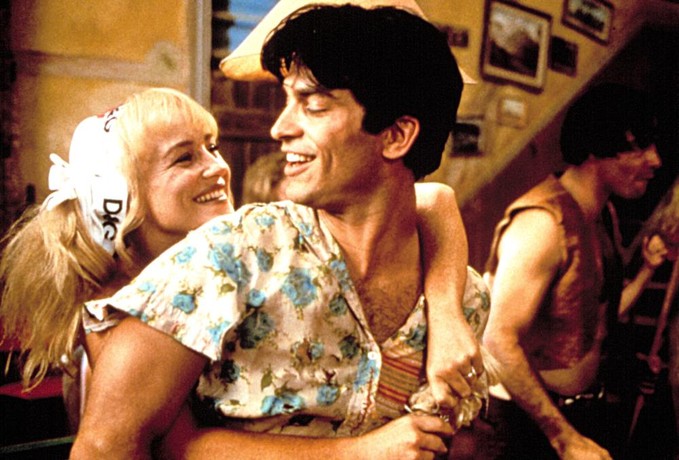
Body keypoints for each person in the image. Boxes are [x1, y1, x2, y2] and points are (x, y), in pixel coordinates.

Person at [70, 4, 490, 459]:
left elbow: (456, 439)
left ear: (395, 136)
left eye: (313, 105)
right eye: (287, 101)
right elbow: (105, 444)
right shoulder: (235, 253)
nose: (279, 128)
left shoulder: (465, 300)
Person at [479, 83, 664, 459]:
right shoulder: (542, 224)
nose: (655, 160)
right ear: (597, 147)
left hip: (577, 413)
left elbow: (593, 314)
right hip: (526, 424)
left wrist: (647, 270)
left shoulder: (602, 214)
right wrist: (563, 437)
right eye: (638, 147)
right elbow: (497, 340)